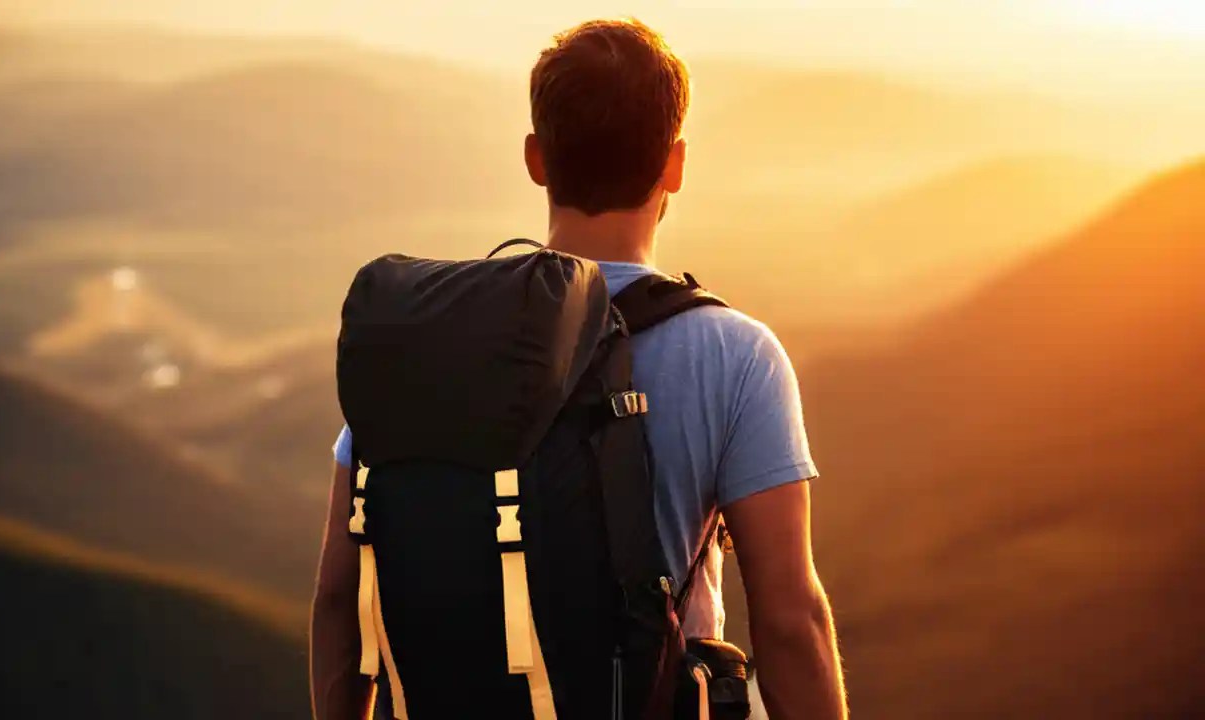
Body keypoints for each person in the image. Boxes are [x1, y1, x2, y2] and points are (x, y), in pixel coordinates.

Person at [310, 17, 847, 720]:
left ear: (536, 158)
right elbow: (788, 621)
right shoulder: (735, 356)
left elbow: (338, 602)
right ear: (674, 166)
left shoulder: (423, 339)